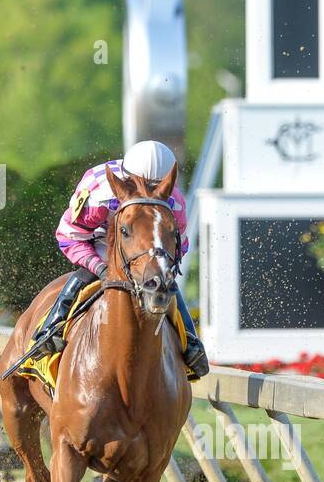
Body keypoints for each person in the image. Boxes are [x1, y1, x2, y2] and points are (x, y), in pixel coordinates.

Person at [36, 140, 208, 379]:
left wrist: (158, 268)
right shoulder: (99, 195)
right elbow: (68, 236)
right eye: (142, 187)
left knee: (166, 284)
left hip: (147, 249)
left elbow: (180, 246)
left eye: (155, 188)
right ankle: (50, 329)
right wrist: (100, 267)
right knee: (84, 276)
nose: (148, 193)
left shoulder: (174, 202)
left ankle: (191, 343)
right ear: (127, 180)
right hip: (102, 242)